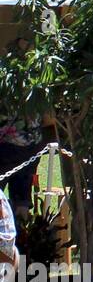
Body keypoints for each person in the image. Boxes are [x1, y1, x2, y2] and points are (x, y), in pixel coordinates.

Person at [0, 40, 44, 218]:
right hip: (31, 147)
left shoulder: (7, 83)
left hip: (8, 148)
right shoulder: (37, 80)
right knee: (22, 199)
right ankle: (23, 235)